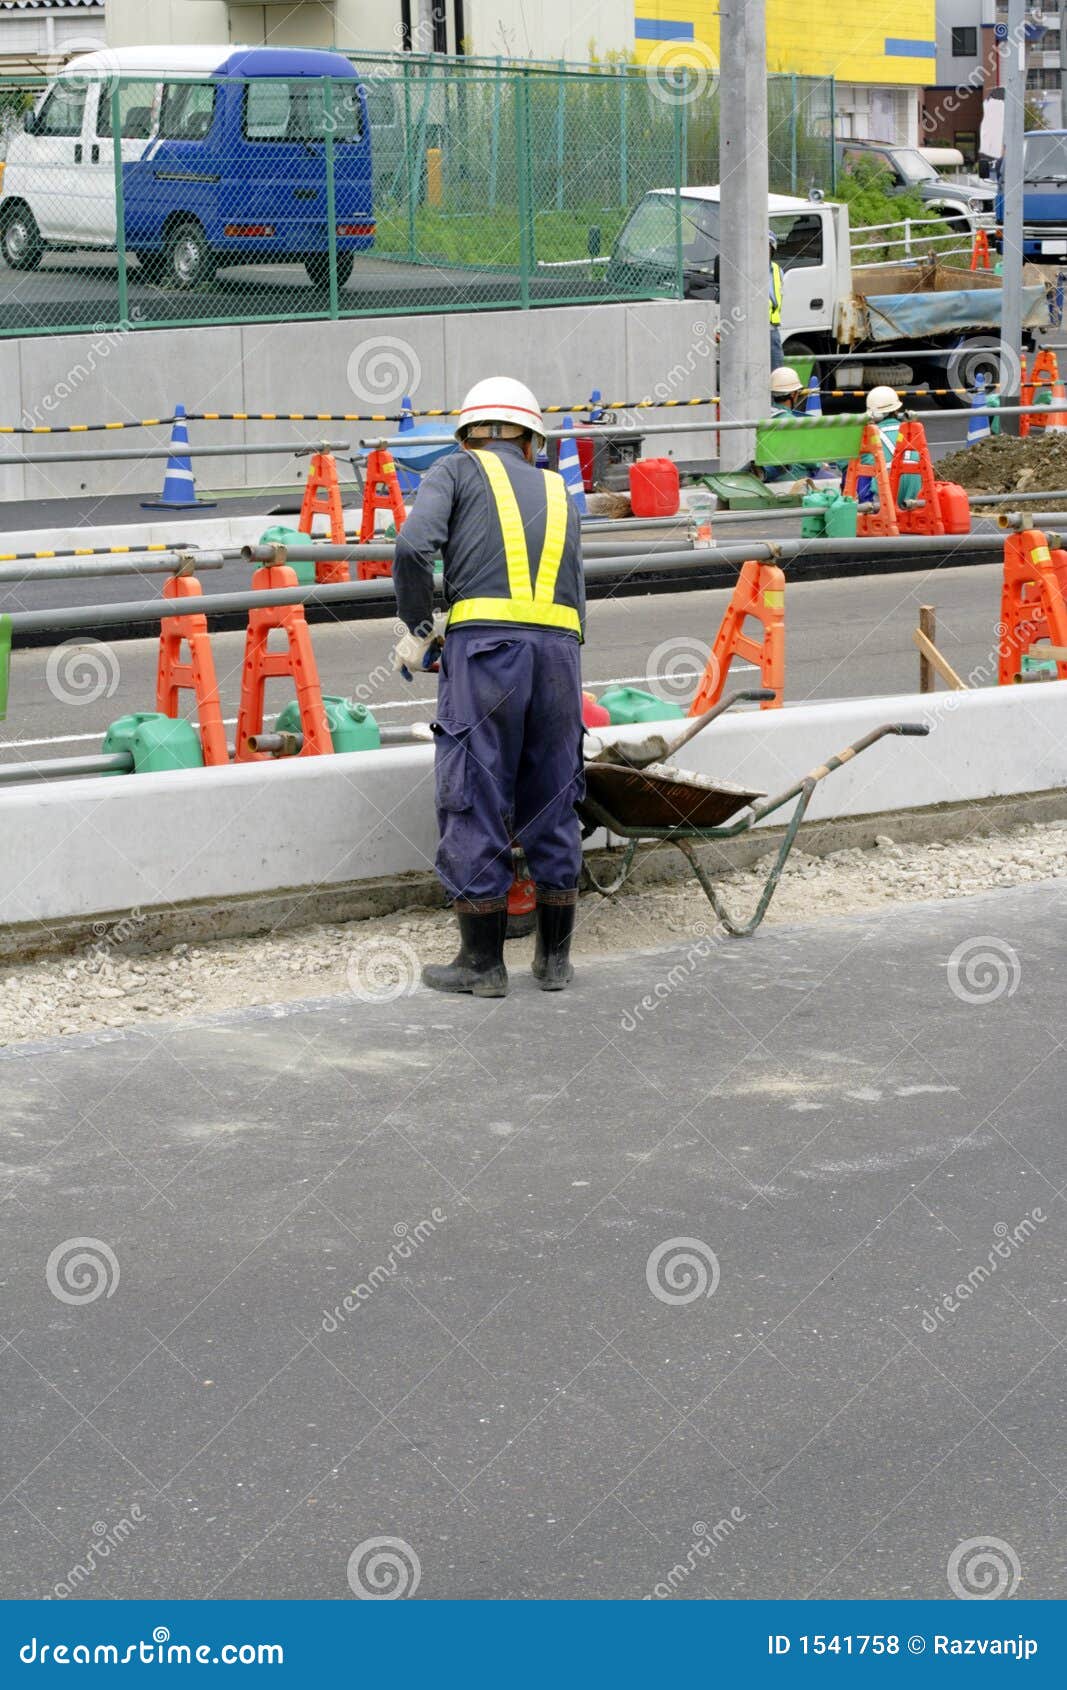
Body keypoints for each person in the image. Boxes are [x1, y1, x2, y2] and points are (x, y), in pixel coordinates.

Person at [390, 377, 586, 999]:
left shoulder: (453, 470)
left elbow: (413, 548)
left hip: (485, 652)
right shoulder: (558, 487)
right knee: (554, 793)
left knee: (474, 789)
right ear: (530, 439)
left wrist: (422, 629)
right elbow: (576, 588)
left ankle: (483, 966)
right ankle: (554, 962)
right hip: (560, 654)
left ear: (470, 433)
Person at [857, 385, 920, 507]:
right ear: (896, 411)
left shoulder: (867, 435)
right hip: (914, 497)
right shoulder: (911, 432)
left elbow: (844, 464)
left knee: (858, 468)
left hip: (884, 497)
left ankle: (865, 506)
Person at [769, 231, 784, 369]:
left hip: (772, 328)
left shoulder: (777, 270)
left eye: (767, 247)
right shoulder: (748, 268)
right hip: (752, 328)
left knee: (777, 371)